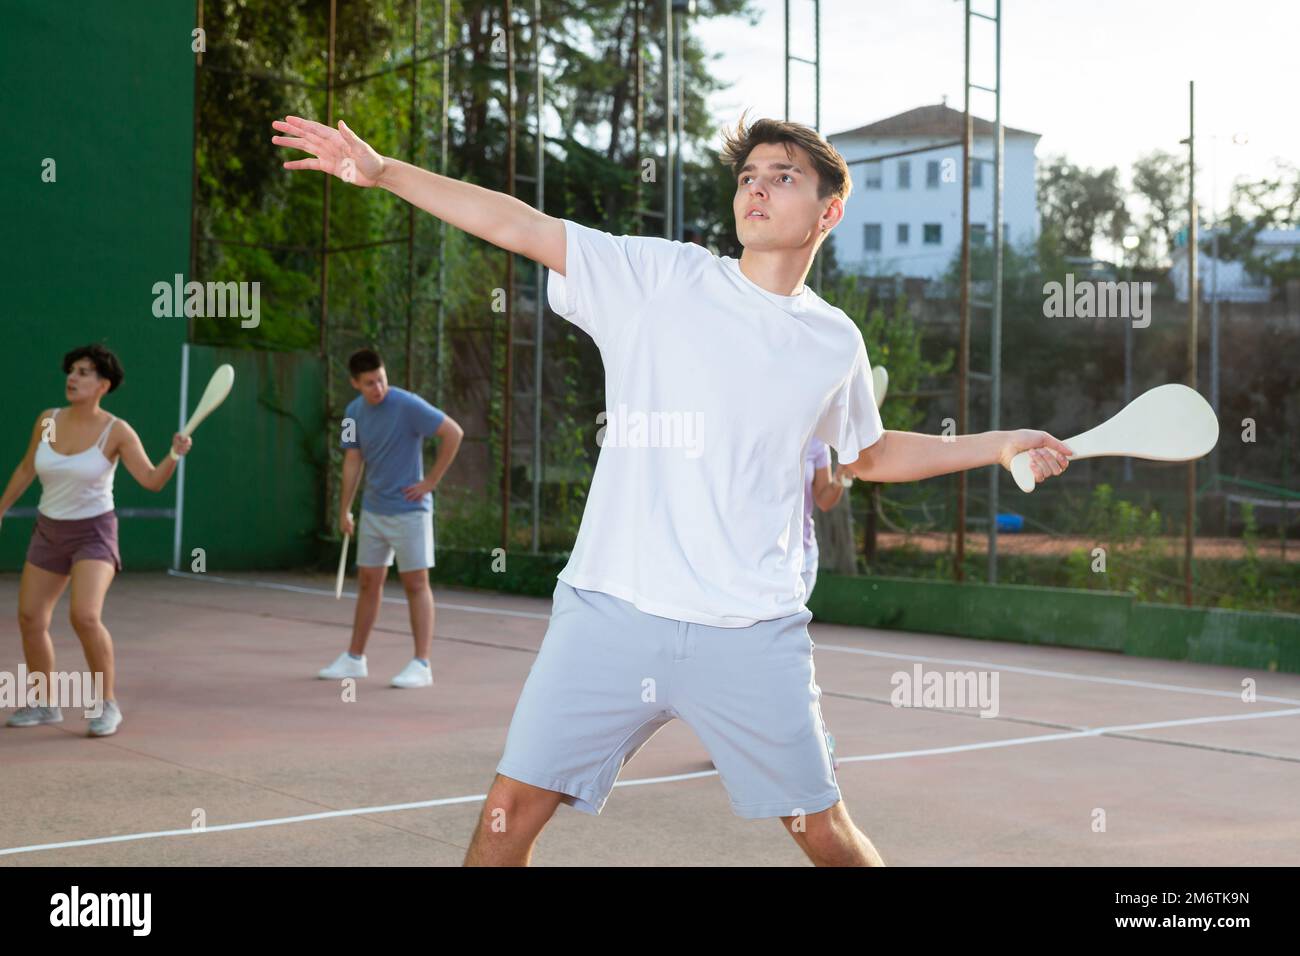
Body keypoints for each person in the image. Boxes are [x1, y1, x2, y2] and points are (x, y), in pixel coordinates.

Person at [273, 110, 1072, 866]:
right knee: (507, 815)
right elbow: (517, 223)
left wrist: (999, 444)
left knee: (824, 833)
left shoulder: (834, 341)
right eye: (749, 174)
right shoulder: (660, 277)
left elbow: (865, 454)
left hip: (750, 630)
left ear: (829, 212)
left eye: (783, 177)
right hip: (612, 611)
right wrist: (383, 173)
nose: (756, 187)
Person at [0, 344, 192, 737]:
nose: (73, 377)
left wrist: (174, 453)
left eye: (85, 372)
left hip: (94, 533)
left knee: (84, 615)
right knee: (30, 617)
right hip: (48, 530)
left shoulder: (116, 431)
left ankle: (107, 704)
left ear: (104, 384)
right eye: (71, 370)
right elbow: (25, 468)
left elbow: (152, 481)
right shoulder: (48, 420)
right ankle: (43, 702)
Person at [317, 349, 463, 688]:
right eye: (369, 383)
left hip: (411, 512)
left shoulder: (408, 405)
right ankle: (354, 659)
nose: (378, 388)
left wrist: (431, 482)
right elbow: (353, 460)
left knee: (416, 584)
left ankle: (421, 664)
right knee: (369, 582)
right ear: (355, 383)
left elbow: (453, 433)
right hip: (373, 512)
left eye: (381, 379)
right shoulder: (353, 413)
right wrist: (344, 510)